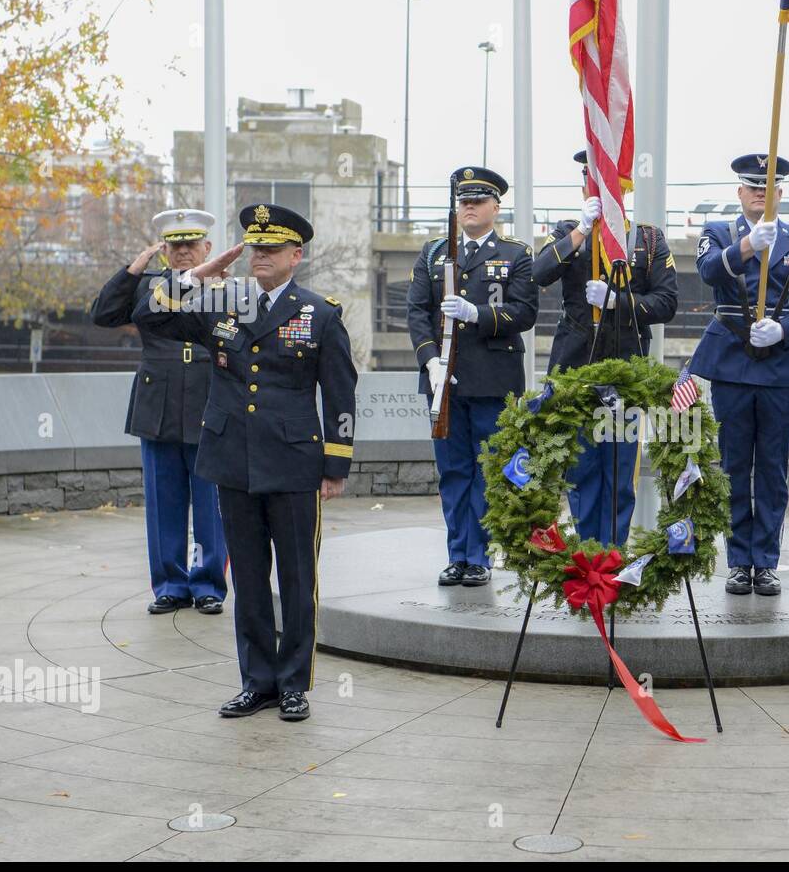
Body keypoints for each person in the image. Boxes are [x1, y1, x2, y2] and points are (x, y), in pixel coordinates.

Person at [134, 203, 357, 722]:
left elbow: (341, 396)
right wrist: (195, 277)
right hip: (233, 458)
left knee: (297, 578)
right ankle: (256, 680)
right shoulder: (222, 302)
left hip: (294, 463)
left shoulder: (319, 314)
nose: (260, 256)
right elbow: (150, 318)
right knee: (250, 578)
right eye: (255, 247)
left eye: (272, 248)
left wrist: (336, 465)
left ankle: (294, 683)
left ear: (296, 255)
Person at [692, 153, 789, 596]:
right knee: (734, 466)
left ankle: (766, 560)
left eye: (768, 186)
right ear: (739, 193)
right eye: (752, 186)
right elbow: (708, 272)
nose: (760, 192)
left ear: (779, 193)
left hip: (781, 366)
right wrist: (748, 246)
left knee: (772, 469)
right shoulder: (719, 233)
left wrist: (787, 327)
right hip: (732, 363)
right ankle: (738, 559)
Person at [532, 149, 679, 545]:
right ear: (585, 186)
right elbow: (540, 272)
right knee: (580, 471)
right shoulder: (567, 230)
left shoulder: (647, 239)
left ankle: (612, 555)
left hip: (625, 369)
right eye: (592, 182)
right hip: (575, 367)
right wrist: (581, 231)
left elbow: (667, 304)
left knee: (618, 472)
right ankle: (585, 553)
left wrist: (618, 301)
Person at [90, 210, 228, 615]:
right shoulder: (148, 287)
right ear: (164, 251)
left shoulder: (226, 287)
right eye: (175, 246)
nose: (184, 252)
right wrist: (132, 271)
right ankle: (170, 583)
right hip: (159, 406)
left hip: (208, 403)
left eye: (192, 244)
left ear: (208, 248)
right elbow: (102, 315)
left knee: (210, 506)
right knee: (163, 502)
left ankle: (207, 585)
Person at [407, 166, 538, 587]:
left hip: (492, 379)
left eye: (478, 200)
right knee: (452, 471)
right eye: (463, 200)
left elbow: (525, 313)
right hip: (443, 380)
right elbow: (416, 313)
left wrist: (476, 314)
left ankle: (478, 554)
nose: (468, 206)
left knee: (486, 470)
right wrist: (429, 359)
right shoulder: (434, 252)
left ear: (496, 207)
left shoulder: (516, 254)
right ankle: (456, 554)